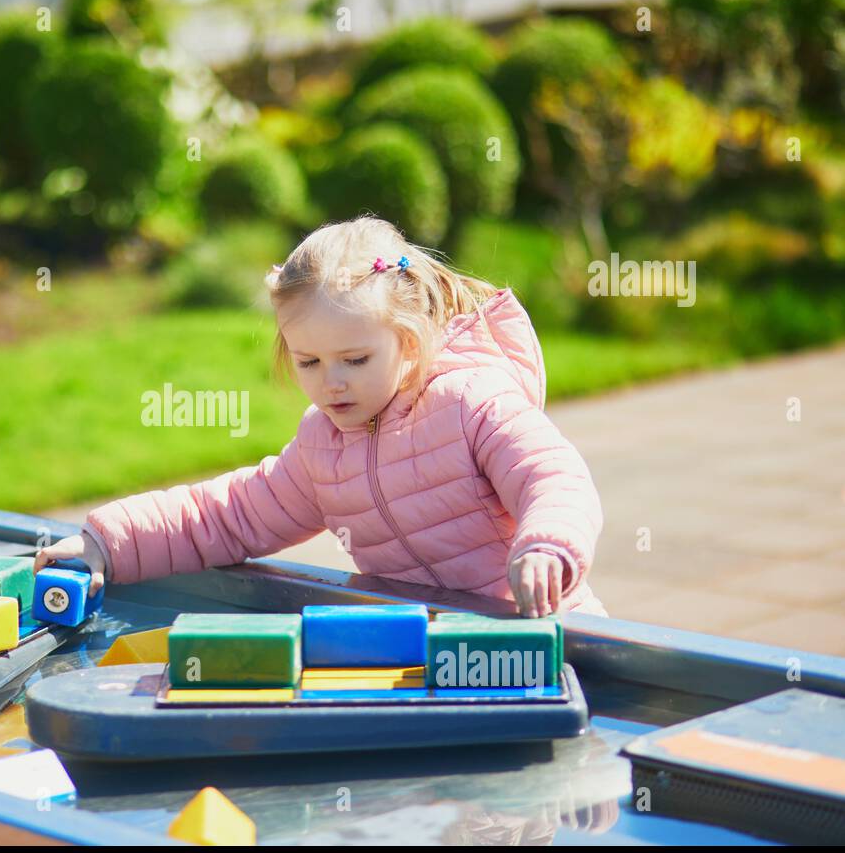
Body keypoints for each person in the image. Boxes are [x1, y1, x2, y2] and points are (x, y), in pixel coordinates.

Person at [35, 214, 607, 618]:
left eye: (355, 360)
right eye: (307, 361)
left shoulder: (469, 403)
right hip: (433, 663)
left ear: (409, 341)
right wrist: (106, 543)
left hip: (550, 640)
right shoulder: (322, 447)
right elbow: (228, 516)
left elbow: (552, 477)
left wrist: (546, 547)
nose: (331, 382)